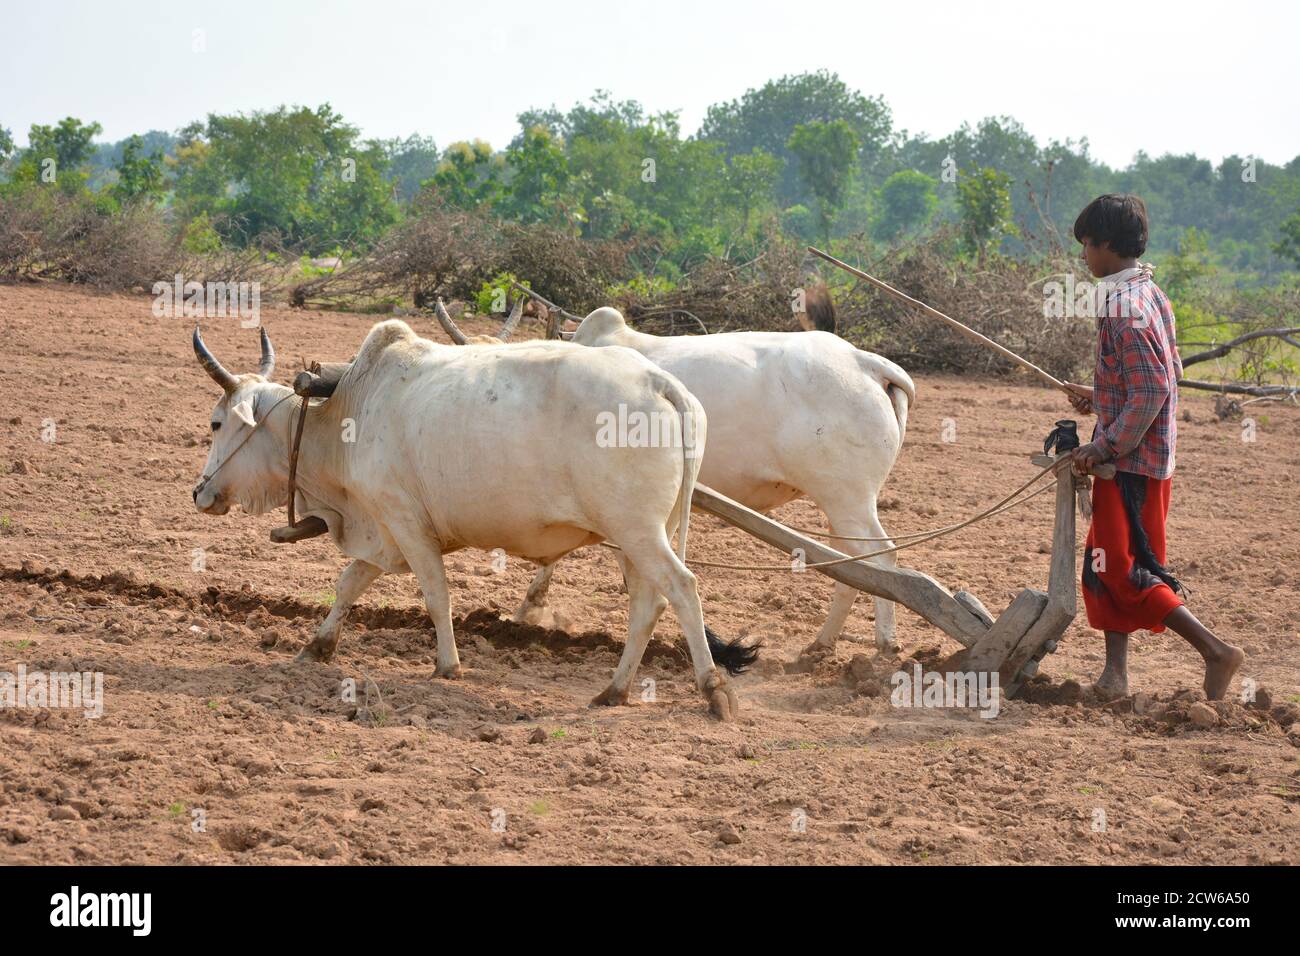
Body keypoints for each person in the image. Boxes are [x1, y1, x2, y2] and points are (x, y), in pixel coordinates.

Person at [1062, 194, 1244, 701]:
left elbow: (1153, 391)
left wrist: (1106, 445)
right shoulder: (1148, 293)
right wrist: (1100, 398)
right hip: (1140, 456)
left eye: (1088, 246)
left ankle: (1215, 650)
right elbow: (1167, 374)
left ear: (1108, 246)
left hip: (1132, 463)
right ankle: (1115, 675)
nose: (1083, 257)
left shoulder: (1126, 308)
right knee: (1105, 559)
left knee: (1123, 568)